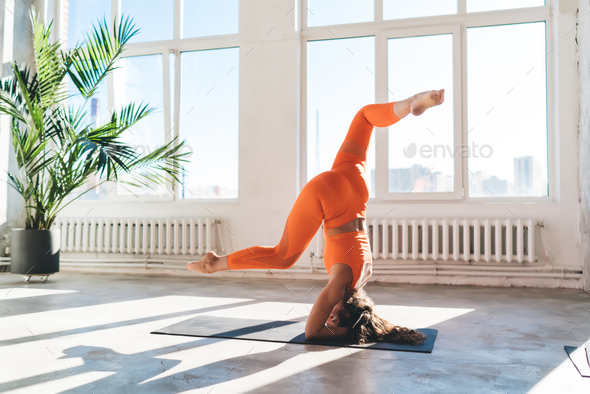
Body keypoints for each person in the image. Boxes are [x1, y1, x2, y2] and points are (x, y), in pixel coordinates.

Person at [187, 89, 445, 345]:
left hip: (354, 182)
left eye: (329, 319)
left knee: (364, 118)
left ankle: (409, 104)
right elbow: (312, 333)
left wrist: (368, 326)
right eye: (334, 319)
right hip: (326, 194)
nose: (328, 317)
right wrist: (354, 334)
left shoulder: (363, 275)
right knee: (282, 257)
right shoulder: (340, 285)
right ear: (345, 311)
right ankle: (215, 263)